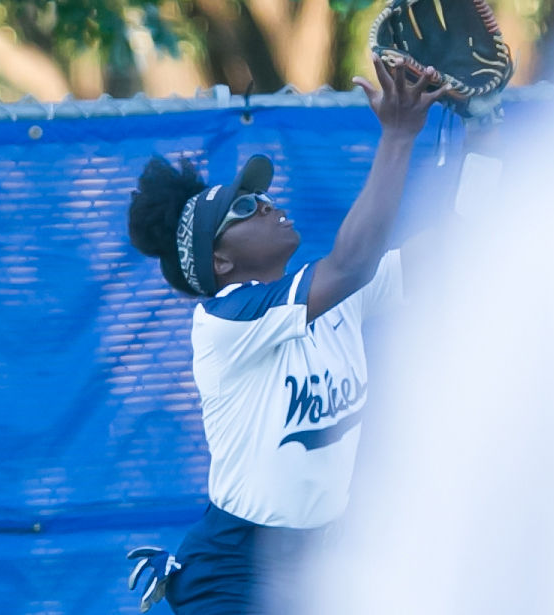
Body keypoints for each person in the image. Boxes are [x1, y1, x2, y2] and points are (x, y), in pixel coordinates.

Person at [126, 57, 450, 614]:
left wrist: (486, 124)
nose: (267, 203)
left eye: (260, 196)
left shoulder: (336, 299)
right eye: (244, 207)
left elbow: (460, 241)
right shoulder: (225, 321)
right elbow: (350, 264)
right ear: (220, 262)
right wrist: (398, 135)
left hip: (316, 563)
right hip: (234, 570)